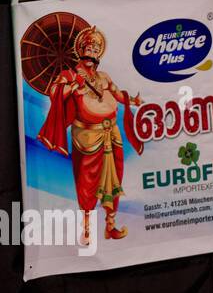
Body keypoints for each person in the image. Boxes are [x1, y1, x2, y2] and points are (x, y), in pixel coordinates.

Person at [37, 24, 142, 245]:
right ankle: (86, 229)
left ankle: (110, 226)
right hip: (87, 137)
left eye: (95, 51)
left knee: (114, 179)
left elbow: (116, 93)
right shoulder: (69, 75)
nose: (91, 53)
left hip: (111, 133)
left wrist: (132, 101)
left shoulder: (103, 76)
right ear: (80, 51)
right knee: (87, 183)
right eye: (88, 49)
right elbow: (54, 93)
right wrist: (73, 87)